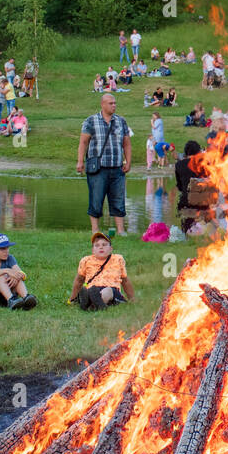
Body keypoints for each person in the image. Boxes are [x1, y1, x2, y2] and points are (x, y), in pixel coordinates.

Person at [78, 93, 132, 237]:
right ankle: (95, 230)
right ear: (102, 104)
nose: (113, 105)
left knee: (119, 199)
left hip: (117, 167)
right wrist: (80, 161)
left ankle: (121, 230)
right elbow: (83, 142)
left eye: (115, 103)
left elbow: (126, 143)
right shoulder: (90, 121)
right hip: (98, 168)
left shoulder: (121, 121)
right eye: (110, 103)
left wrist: (128, 161)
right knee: (96, 199)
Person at [70, 232, 136, 310]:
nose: (101, 247)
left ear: (111, 249)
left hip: (111, 289)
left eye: (104, 245)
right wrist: (72, 299)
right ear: (93, 250)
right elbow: (79, 280)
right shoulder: (86, 260)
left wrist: (132, 298)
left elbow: (125, 281)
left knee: (107, 291)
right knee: (88, 291)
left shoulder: (118, 259)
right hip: (91, 288)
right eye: (97, 245)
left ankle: (90, 304)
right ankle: (91, 302)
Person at [0, 233, 37, 310]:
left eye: (7, 248)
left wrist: (17, 276)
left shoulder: (10, 258)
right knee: (1, 276)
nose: (6, 251)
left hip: (5, 294)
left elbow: (20, 273)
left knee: (16, 277)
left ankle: (26, 298)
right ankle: (11, 301)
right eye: (2, 249)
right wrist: (7, 271)